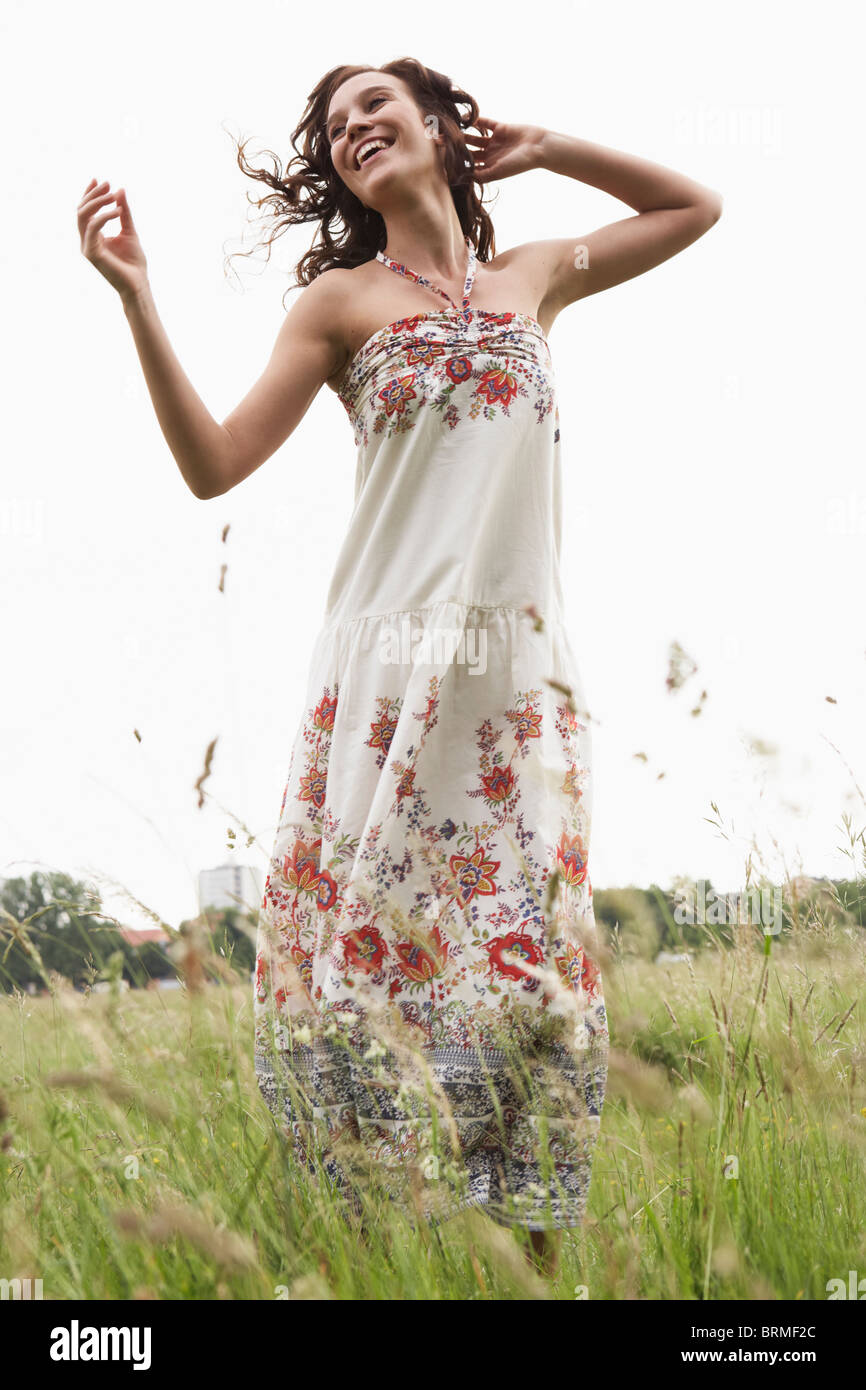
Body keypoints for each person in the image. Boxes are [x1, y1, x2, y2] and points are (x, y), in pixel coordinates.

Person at [78, 56, 721, 1278]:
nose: (353, 128)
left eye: (376, 104)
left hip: (518, 694)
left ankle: (532, 1259)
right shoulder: (338, 302)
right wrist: (136, 300)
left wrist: (549, 148)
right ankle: (392, 1247)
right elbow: (213, 464)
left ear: (436, 125)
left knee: (532, 970)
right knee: (368, 954)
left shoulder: (535, 276)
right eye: (333, 126)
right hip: (385, 675)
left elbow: (691, 210)